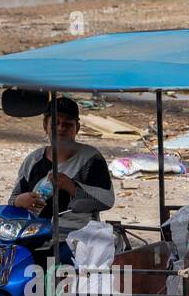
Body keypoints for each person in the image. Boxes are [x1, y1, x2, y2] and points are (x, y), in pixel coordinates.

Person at [8, 96, 114, 244]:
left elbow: (106, 201)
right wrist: (20, 201)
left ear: (77, 128)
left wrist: (71, 187)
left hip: (75, 238)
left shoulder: (90, 159)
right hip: (33, 233)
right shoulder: (34, 159)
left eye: (67, 124)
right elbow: (13, 199)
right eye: (55, 123)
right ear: (45, 125)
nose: (60, 128)